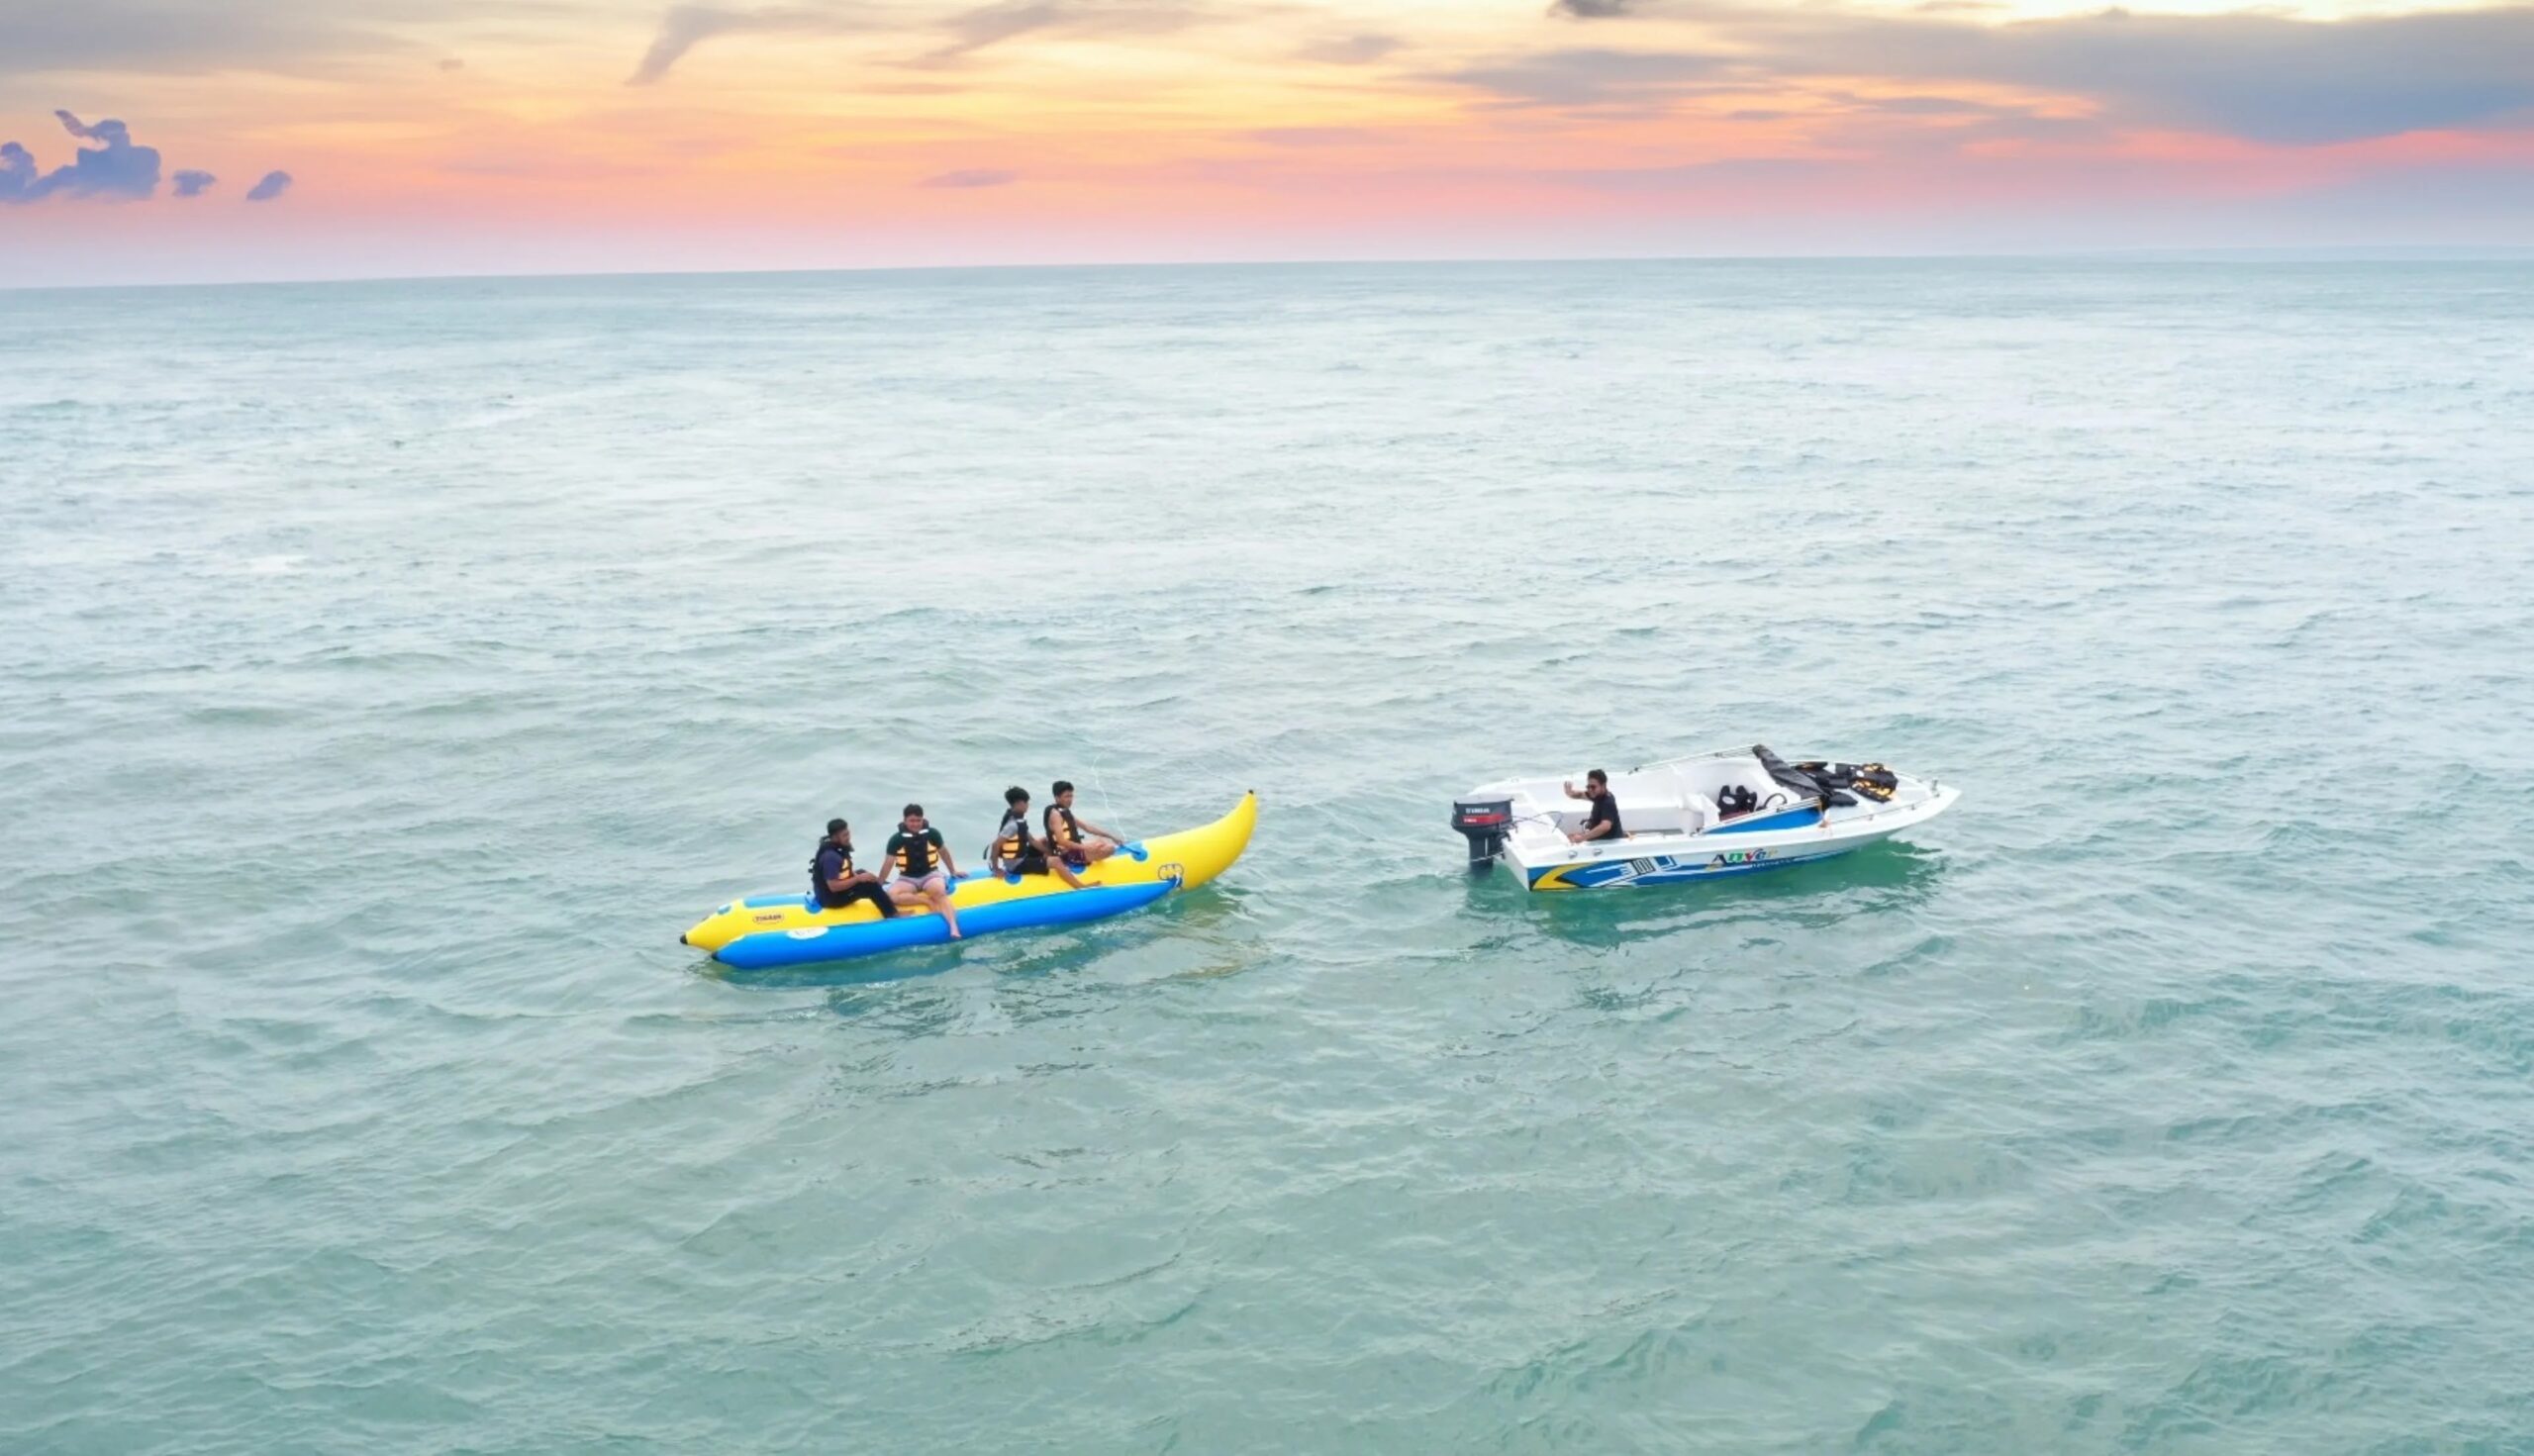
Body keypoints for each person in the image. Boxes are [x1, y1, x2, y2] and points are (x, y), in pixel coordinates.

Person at [885, 803, 962, 938]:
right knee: (891, 896)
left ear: (923, 819)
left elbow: (944, 853)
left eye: (918, 820)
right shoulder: (896, 839)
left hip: (930, 875)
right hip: (907, 878)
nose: (915, 824)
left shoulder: (932, 834)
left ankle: (953, 927)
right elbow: (888, 864)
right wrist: (879, 883)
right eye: (911, 821)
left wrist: (953, 871)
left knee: (939, 892)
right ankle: (926, 901)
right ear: (905, 820)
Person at [991, 786, 1086, 888]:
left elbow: (1031, 840)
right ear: (1019, 803)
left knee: (1045, 841)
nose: (1028, 805)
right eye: (1026, 802)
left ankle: (1060, 862)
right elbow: (995, 845)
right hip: (1016, 864)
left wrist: (1050, 852)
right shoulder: (1012, 825)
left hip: (1021, 856)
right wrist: (996, 868)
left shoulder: (1018, 820)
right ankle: (1080, 886)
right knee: (1056, 861)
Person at [811, 818, 898, 918]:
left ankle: (883, 895)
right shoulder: (830, 857)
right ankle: (892, 914)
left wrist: (860, 876)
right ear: (834, 837)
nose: (848, 837)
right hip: (831, 899)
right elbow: (833, 887)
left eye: (848, 833)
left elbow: (844, 871)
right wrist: (858, 879)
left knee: (862, 872)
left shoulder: (835, 847)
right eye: (845, 835)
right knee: (870, 886)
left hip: (829, 894)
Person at [1043, 780, 1125, 870]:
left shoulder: (1063, 811)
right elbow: (1061, 841)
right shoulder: (1056, 815)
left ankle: (1090, 856)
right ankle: (1086, 861)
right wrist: (1085, 847)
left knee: (1101, 841)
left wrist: (1111, 836)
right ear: (1057, 798)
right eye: (1066, 796)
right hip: (1065, 855)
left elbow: (1087, 828)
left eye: (1071, 796)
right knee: (1110, 849)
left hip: (1072, 849)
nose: (1070, 800)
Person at [1562, 769, 1625, 844]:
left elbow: (1605, 826)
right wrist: (1569, 793)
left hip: (1609, 843)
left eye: (1593, 787)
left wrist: (1582, 837)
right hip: (1599, 840)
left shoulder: (1608, 802)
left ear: (1603, 786)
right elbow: (1580, 795)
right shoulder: (1596, 795)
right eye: (1588, 787)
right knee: (1569, 836)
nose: (1590, 790)